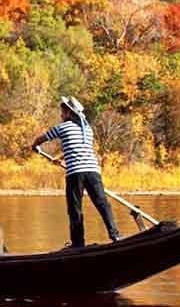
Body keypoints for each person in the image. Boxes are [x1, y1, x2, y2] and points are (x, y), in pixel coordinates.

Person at [32, 96, 120, 248]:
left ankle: (78, 243)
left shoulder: (63, 127)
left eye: (63, 111)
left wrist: (34, 145)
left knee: (74, 208)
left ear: (68, 113)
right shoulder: (87, 129)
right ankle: (115, 234)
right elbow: (77, 148)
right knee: (102, 203)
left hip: (75, 174)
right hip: (93, 171)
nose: (61, 114)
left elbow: (43, 138)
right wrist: (60, 158)